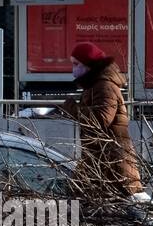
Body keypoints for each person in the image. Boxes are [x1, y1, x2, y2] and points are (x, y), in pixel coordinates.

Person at [61, 41, 144, 198]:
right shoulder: (94, 87)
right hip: (101, 163)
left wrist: (72, 108)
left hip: (113, 167)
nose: (73, 69)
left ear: (89, 65)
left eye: (76, 64)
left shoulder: (104, 86)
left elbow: (100, 119)